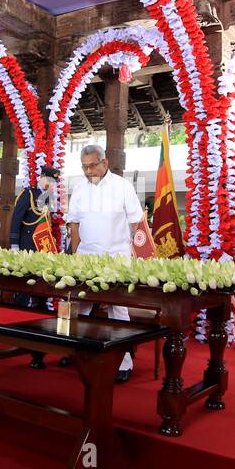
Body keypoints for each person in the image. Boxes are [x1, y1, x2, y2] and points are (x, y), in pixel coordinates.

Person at [65, 144, 147, 383]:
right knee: (78, 305)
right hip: (86, 257)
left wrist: (142, 257)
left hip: (117, 257)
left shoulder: (123, 186)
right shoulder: (79, 188)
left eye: (92, 165)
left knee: (117, 309)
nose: (89, 171)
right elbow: (74, 224)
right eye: (84, 167)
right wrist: (76, 253)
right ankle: (76, 352)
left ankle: (124, 363)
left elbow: (136, 224)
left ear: (105, 162)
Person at [10, 166, 60, 251]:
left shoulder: (48, 197)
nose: (51, 184)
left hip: (43, 244)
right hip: (28, 243)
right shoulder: (29, 194)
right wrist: (14, 244)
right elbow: (16, 219)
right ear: (42, 176)